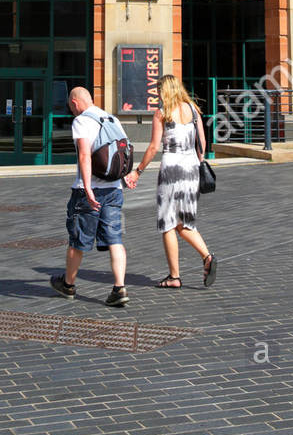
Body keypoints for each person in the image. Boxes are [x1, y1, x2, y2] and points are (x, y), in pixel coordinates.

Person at [125, 74, 216, 288]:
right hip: (192, 169)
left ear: (165, 91)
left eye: (159, 91)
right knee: (184, 221)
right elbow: (202, 142)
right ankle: (206, 257)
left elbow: (154, 147)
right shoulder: (193, 110)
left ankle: (175, 276)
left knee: (168, 223)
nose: (157, 95)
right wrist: (196, 164)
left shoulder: (162, 113)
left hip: (171, 170)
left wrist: (137, 171)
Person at [51, 86, 129, 308]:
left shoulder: (82, 121)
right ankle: (119, 288)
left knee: (78, 239)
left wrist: (87, 188)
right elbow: (124, 151)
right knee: (115, 238)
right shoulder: (112, 119)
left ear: (74, 103)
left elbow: (84, 154)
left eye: (71, 107)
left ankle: (68, 285)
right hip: (114, 189)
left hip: (89, 191)